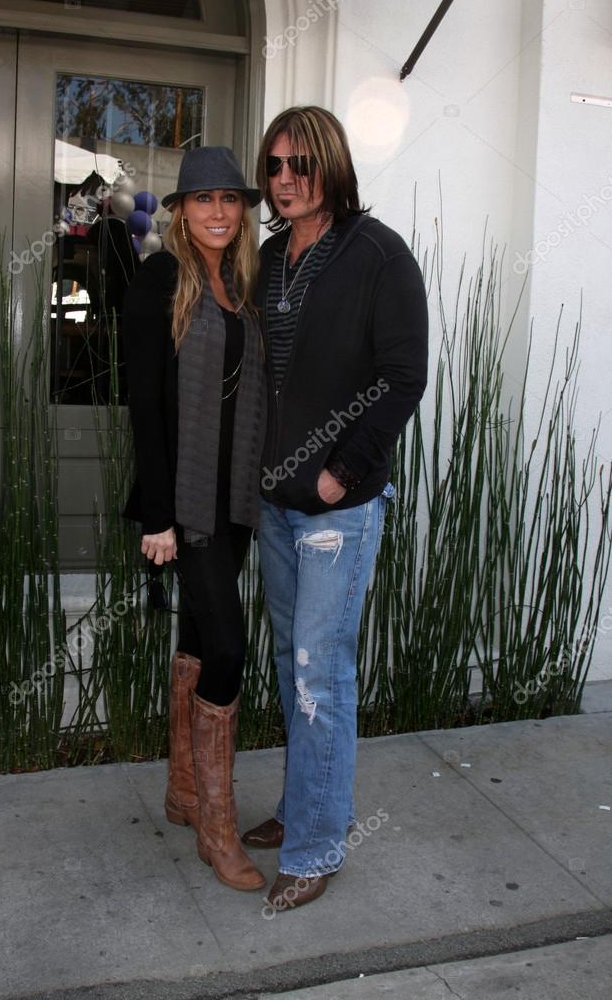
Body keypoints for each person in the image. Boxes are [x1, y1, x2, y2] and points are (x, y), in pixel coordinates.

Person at [242, 106, 428, 911]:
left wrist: (343, 469)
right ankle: (305, 806)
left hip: (335, 508)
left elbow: (403, 373)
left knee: (323, 670)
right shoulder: (269, 255)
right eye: (274, 166)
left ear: (332, 167)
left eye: (300, 165)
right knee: (293, 664)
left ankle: (318, 846)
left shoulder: (379, 254)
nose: (284, 179)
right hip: (278, 504)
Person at [122, 147, 267, 892]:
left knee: (194, 636)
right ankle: (217, 823)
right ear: (180, 209)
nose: (218, 211)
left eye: (231, 199)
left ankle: (182, 791)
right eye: (204, 199)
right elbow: (143, 403)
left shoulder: (243, 282)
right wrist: (158, 514)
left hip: (235, 494)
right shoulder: (157, 280)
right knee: (230, 648)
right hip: (185, 502)